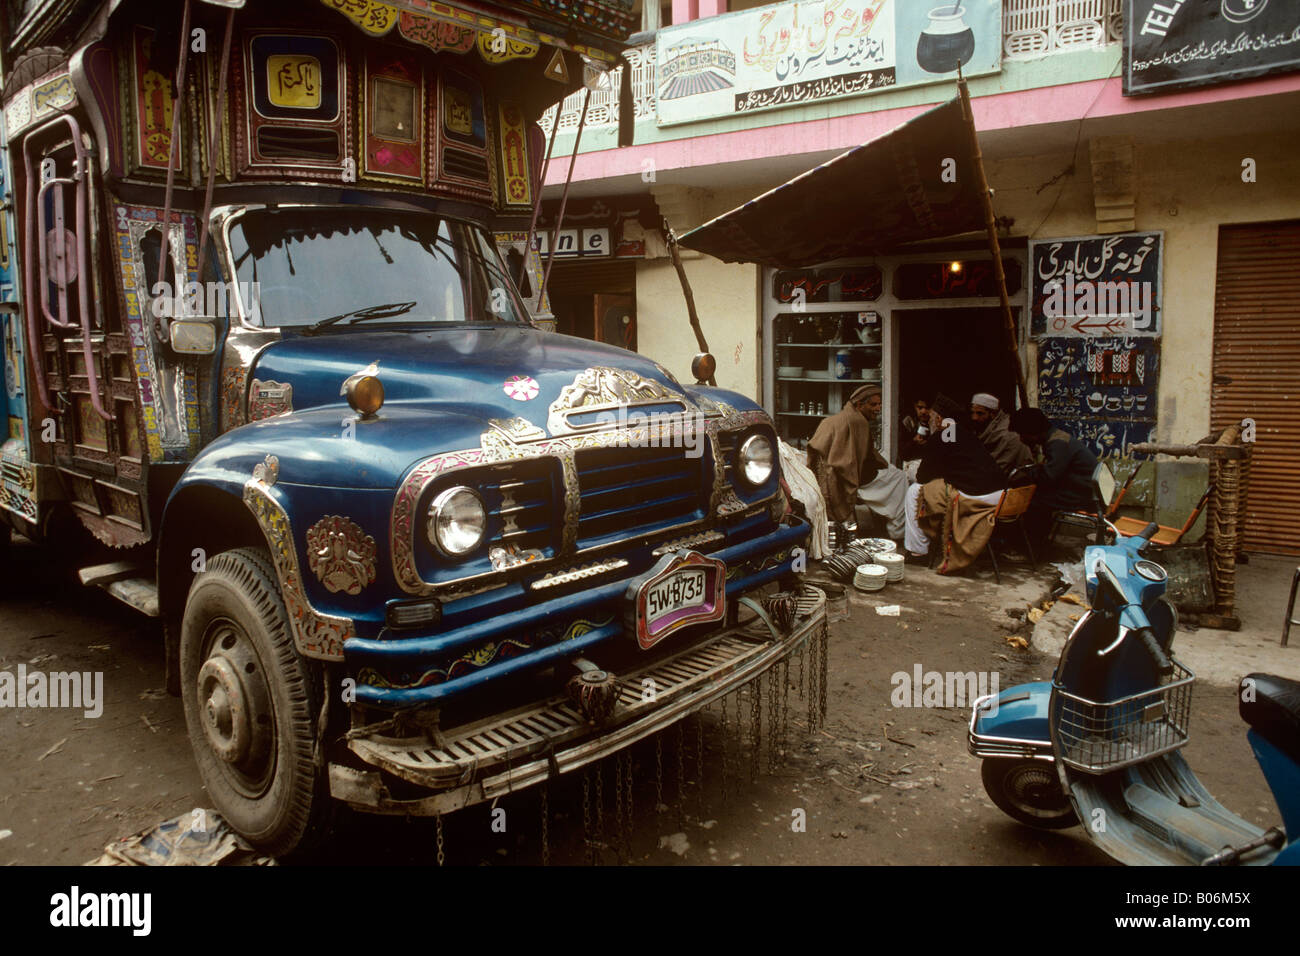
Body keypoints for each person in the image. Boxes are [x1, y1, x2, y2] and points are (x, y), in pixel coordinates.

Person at [903, 393, 1008, 573]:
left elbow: (922, 477)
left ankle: (917, 552)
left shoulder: (942, 436)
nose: (930, 420)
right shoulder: (965, 433)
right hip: (1001, 494)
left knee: (914, 491)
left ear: (941, 419)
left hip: (978, 495)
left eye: (933, 416)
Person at [807, 384, 907, 542]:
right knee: (901, 479)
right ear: (860, 405)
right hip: (845, 479)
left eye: (880, 404)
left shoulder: (833, 419)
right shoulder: (859, 422)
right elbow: (859, 464)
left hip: (826, 477)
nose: (878, 408)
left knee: (892, 473)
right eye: (873, 404)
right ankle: (897, 533)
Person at [1008, 408, 1099, 548]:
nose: (1021, 439)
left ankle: (1030, 548)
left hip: (1083, 495)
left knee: (1032, 502)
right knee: (1037, 497)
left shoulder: (1057, 443)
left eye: (1023, 434)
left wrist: (1029, 474)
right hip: (1082, 489)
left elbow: (1049, 476)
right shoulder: (1056, 437)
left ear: (1033, 432)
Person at [970, 392, 1033, 478]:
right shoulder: (983, 430)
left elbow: (995, 471)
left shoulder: (1009, 434)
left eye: (980, 413)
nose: (974, 418)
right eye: (972, 413)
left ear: (993, 414)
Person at [898, 396, 931, 463]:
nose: (923, 411)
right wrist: (914, 441)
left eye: (927, 408)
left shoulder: (936, 422)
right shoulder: (908, 422)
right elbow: (902, 451)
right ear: (914, 407)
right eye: (920, 408)